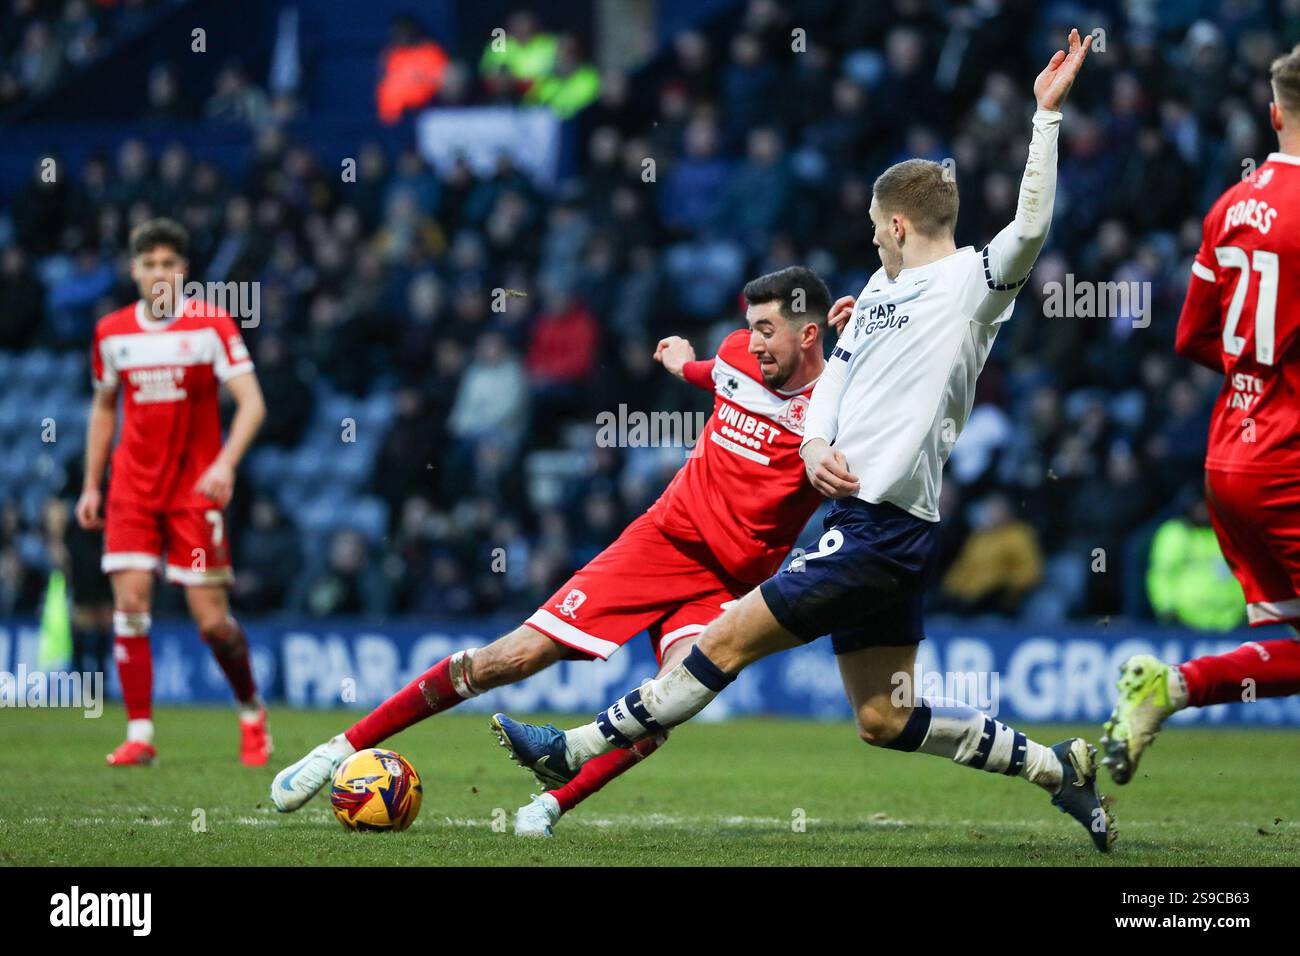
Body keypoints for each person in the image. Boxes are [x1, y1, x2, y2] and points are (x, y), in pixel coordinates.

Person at [492, 31, 1115, 853]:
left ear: (896, 222)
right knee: (884, 718)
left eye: (871, 225)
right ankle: (1058, 767)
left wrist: (1045, 117)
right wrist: (815, 448)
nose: (868, 237)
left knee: (723, 641)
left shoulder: (972, 284)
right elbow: (833, 392)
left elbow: (1031, 224)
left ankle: (570, 750)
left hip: (882, 528)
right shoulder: (873, 295)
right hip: (865, 521)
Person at [271, 267, 838, 836]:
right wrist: (677, 362)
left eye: (767, 329)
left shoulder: (837, 408)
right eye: (751, 328)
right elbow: (712, 374)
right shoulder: (738, 354)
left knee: (672, 699)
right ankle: (334, 750)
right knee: (509, 658)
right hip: (660, 541)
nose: (754, 341)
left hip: (726, 580)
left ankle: (550, 804)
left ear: (808, 335)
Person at [1101, 43, 1300, 784]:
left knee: (1290, 642)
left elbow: (1189, 336)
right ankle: (1171, 687)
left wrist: (1257, 369)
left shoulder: (1230, 205)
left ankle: (1170, 687)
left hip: (1229, 456)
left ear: (1273, 112)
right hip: (1289, 458)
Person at [75, 218, 270, 767]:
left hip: (193, 495)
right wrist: (92, 485)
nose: (159, 273)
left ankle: (251, 711)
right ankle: (140, 733)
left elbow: (252, 403)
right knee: (131, 606)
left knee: (212, 622)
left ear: (183, 271)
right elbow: (103, 408)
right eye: (149, 264)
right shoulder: (112, 333)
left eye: (169, 264)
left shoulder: (210, 323)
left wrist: (226, 465)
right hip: (132, 491)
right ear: (134, 271)